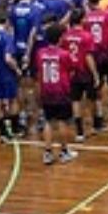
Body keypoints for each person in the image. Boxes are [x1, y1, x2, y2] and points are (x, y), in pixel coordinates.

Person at [37, 23, 78, 166]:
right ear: (60, 38)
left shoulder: (40, 53)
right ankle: (64, 151)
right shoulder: (64, 54)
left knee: (48, 121)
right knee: (62, 121)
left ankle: (47, 153)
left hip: (46, 91)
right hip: (61, 91)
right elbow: (71, 70)